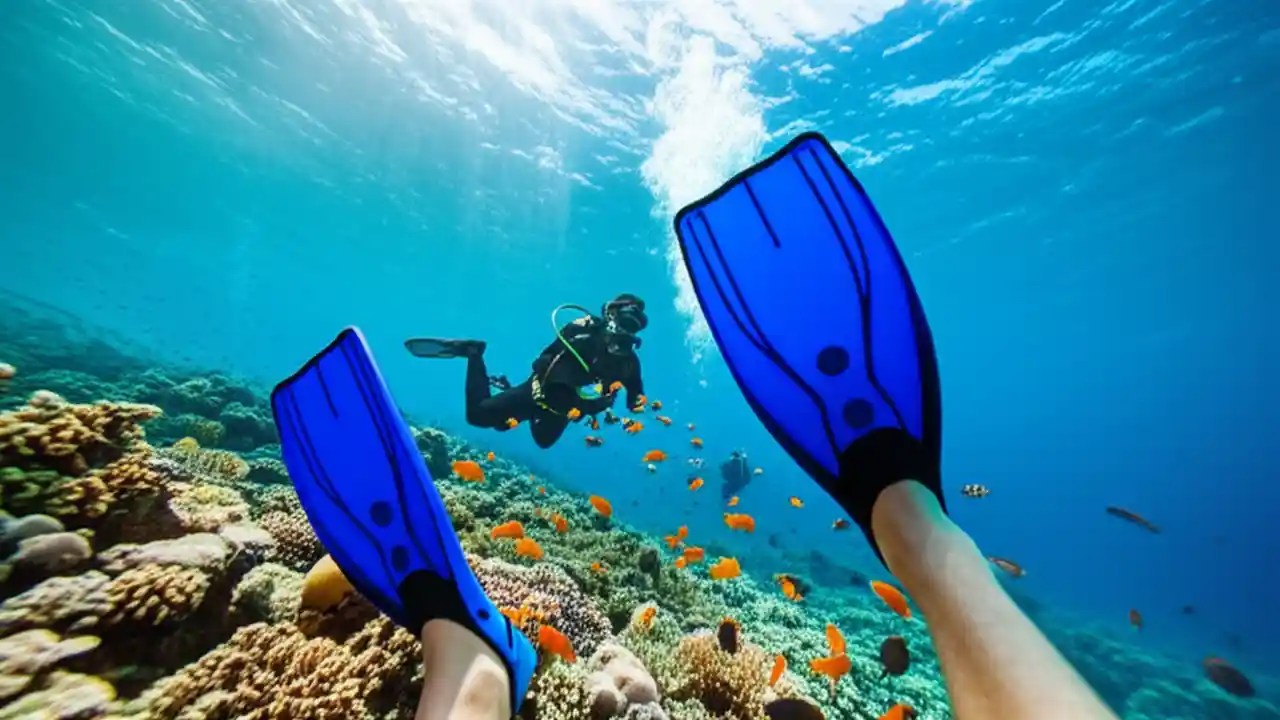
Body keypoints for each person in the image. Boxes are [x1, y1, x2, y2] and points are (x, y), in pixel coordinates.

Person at [270, 132, 1116, 720]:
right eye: (627, 322)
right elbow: (627, 401)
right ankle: (910, 518)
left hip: (546, 404)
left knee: (503, 419)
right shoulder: (611, 349)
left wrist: (608, 408)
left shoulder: (603, 346)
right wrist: (615, 404)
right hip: (542, 396)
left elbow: (624, 405)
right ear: (623, 321)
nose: (626, 332)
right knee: (495, 413)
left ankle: (471, 653)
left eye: (629, 325)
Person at [404, 294, 647, 448]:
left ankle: (515, 409)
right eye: (624, 323)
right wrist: (589, 400)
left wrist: (634, 401)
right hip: (538, 392)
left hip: (564, 409)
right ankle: (473, 352)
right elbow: (548, 364)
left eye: (634, 328)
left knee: (543, 441)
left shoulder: (629, 364)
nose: (626, 332)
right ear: (610, 316)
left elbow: (635, 398)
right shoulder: (582, 332)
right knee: (478, 416)